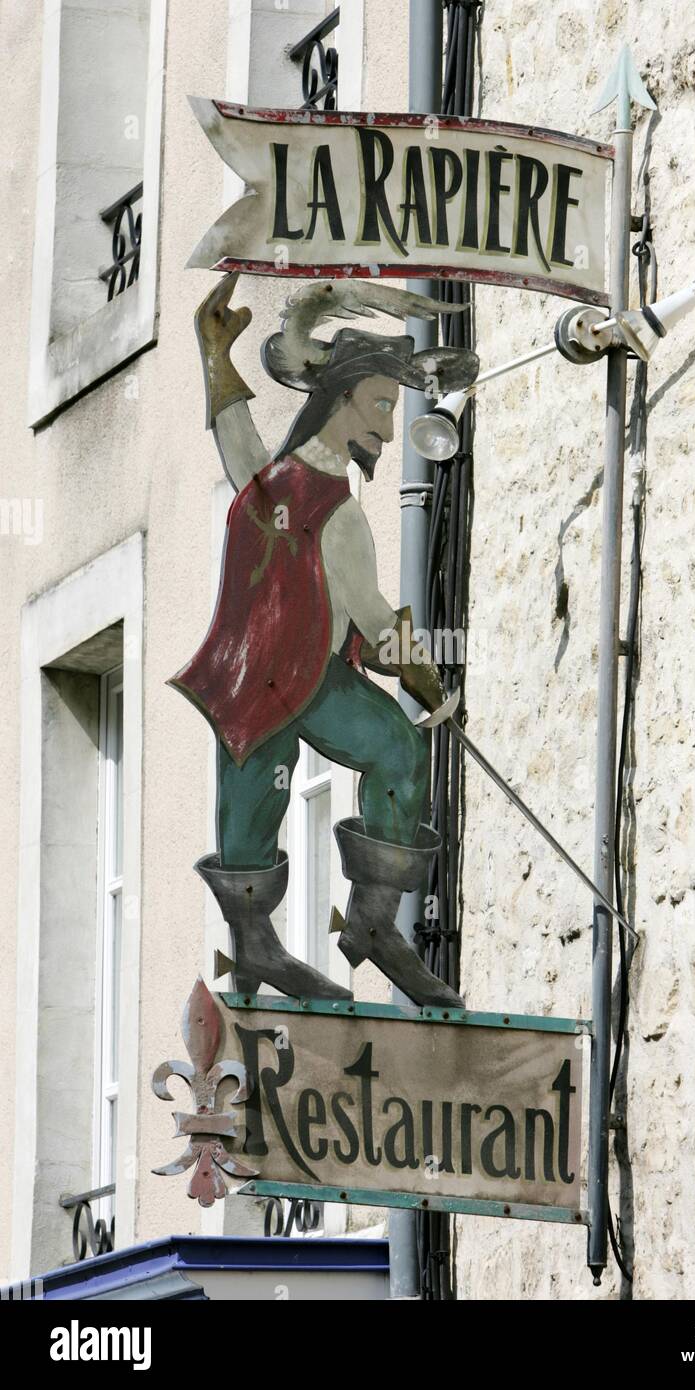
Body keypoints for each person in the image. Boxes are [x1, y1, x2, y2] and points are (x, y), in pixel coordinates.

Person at [170, 274, 478, 1007]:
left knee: (376, 756)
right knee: (274, 792)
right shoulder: (309, 495)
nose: (385, 426)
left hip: (290, 676)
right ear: (336, 402)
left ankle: (355, 927)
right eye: (377, 406)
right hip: (268, 678)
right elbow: (371, 613)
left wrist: (216, 355)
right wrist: (428, 683)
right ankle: (267, 946)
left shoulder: (305, 489)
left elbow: (364, 617)